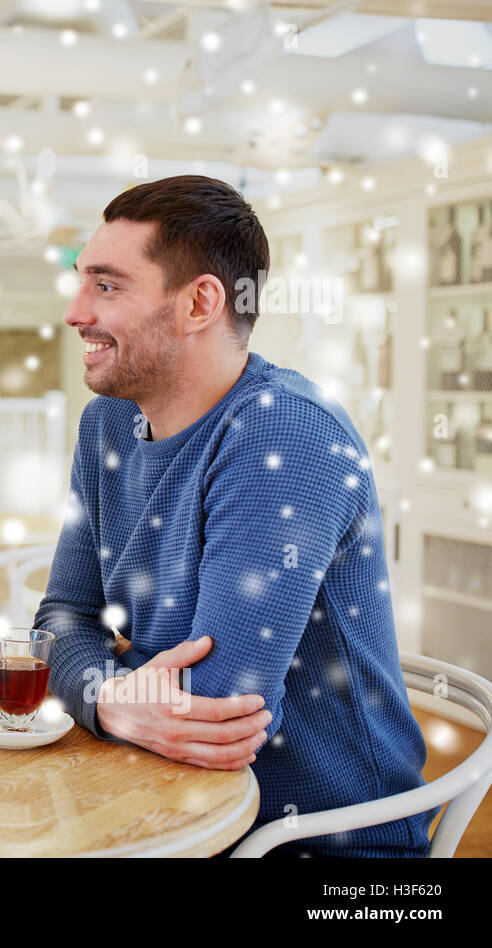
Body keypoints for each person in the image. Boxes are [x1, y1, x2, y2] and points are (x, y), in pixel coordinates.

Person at [36, 175, 436, 858]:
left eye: (106, 286)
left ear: (200, 302)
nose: (75, 311)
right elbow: (60, 622)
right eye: (82, 282)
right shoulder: (106, 424)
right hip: (160, 807)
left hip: (312, 845)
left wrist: (99, 679)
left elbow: (218, 712)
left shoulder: (286, 434)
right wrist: (106, 697)